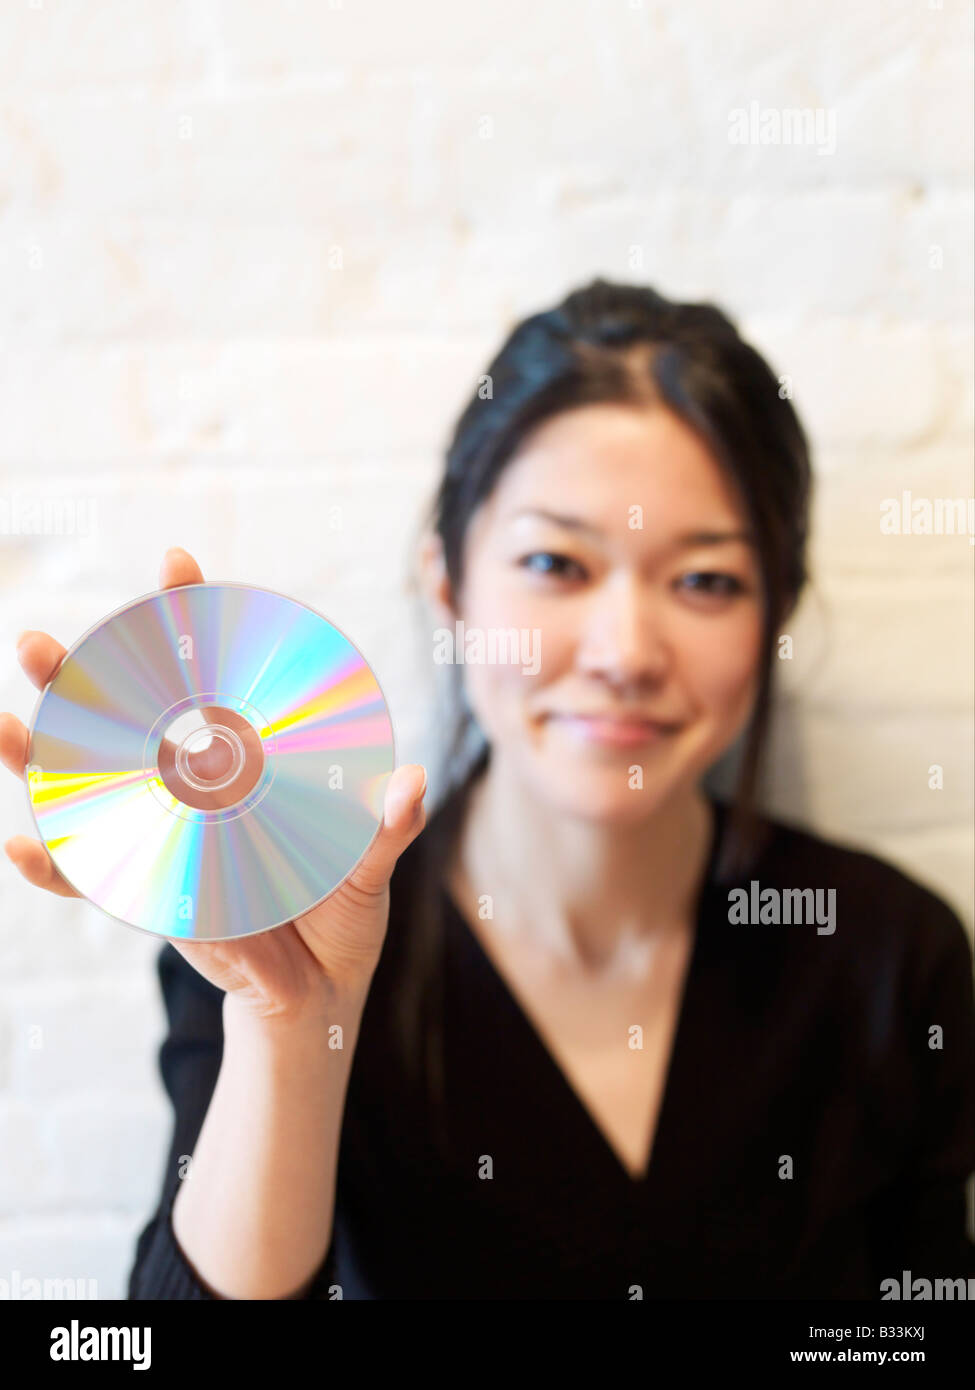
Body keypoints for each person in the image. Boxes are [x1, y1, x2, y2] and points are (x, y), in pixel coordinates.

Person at [3, 279, 972, 1300]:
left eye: (706, 581)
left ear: (779, 608)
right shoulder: (273, 927)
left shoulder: (888, 954)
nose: (625, 652)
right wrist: (295, 1029)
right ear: (450, 585)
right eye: (557, 561)